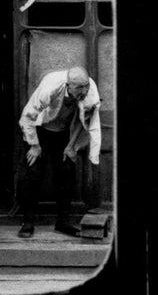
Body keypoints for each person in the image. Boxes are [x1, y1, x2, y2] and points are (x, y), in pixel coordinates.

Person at [16, 66, 101, 238]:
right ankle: (28, 221)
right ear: (68, 85)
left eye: (85, 86)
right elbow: (28, 116)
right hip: (40, 129)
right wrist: (34, 145)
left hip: (64, 132)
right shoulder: (51, 87)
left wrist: (71, 146)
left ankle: (63, 222)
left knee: (67, 173)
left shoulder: (89, 90)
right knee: (32, 173)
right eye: (79, 88)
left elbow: (82, 119)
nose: (84, 91)